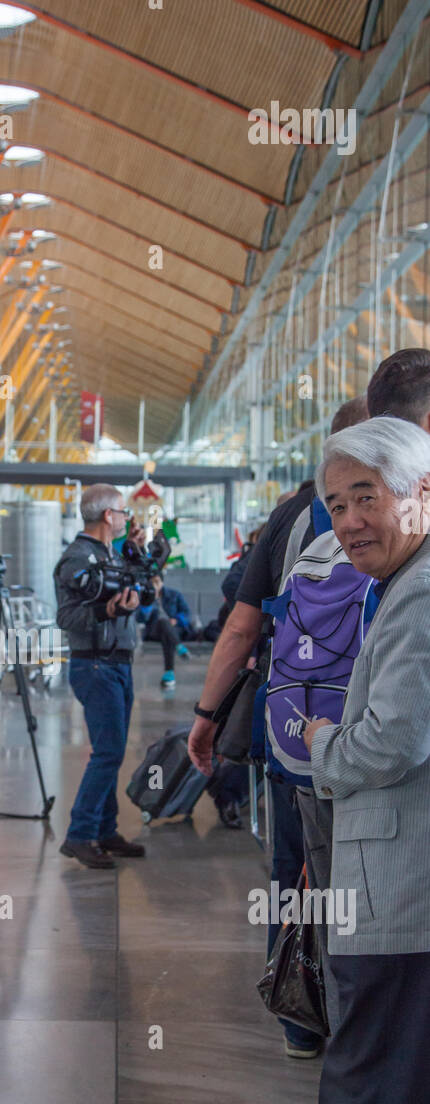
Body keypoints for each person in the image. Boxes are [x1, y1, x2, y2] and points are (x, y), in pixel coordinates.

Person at [294, 416, 430, 1104]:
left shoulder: (419, 594)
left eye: (367, 498)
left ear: (421, 495)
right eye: (337, 505)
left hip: (399, 897)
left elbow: (391, 740)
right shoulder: (405, 584)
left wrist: (318, 743)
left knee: (370, 1099)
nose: (348, 522)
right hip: (402, 888)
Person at [188, 396, 368, 1059]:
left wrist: (207, 718)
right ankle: (366, 1020)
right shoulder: (403, 515)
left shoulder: (293, 515)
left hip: (295, 731)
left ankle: (299, 1015)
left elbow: (241, 626)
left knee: (293, 872)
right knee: (369, 877)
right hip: (376, 734)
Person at [54, 483, 147, 870]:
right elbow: (65, 618)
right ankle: (80, 834)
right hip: (95, 664)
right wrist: (105, 613)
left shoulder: (110, 554)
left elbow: (142, 585)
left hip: (116, 663)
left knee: (112, 752)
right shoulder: (77, 559)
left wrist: (138, 554)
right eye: (123, 513)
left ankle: (106, 830)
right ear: (109, 516)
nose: (126, 519)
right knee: (107, 752)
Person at [139, 573, 194, 687]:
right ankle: (179, 647)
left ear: (162, 582)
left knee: (167, 632)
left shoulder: (174, 594)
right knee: (163, 622)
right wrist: (151, 599)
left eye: (157, 581)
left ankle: (169, 673)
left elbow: (186, 613)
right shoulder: (145, 597)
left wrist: (177, 620)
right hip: (154, 631)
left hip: (174, 629)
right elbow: (141, 618)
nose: (155, 584)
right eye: (152, 582)